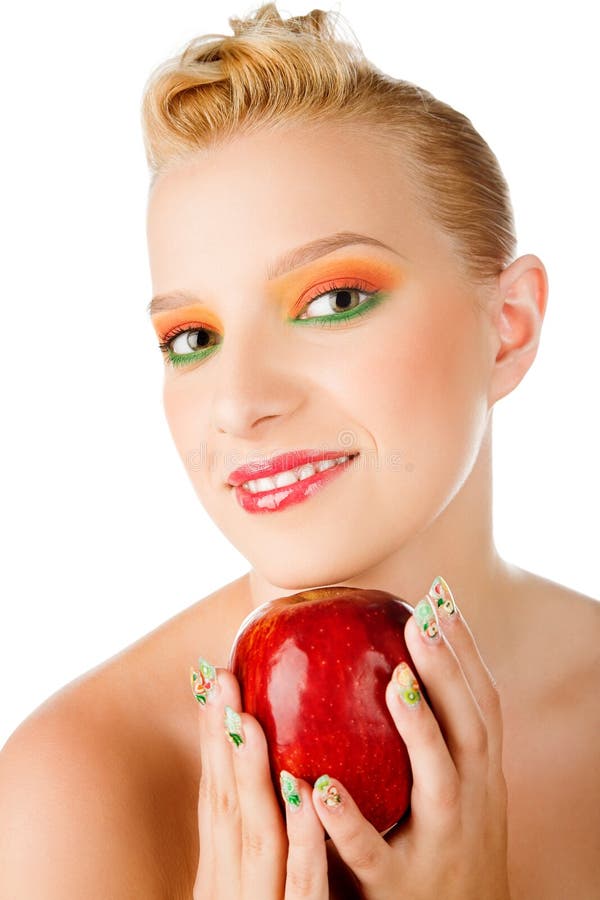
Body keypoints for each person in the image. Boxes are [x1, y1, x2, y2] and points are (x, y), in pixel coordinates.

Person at [1, 3, 598, 898]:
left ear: (507, 329)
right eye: (192, 338)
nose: (239, 403)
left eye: (332, 301)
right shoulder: (79, 787)